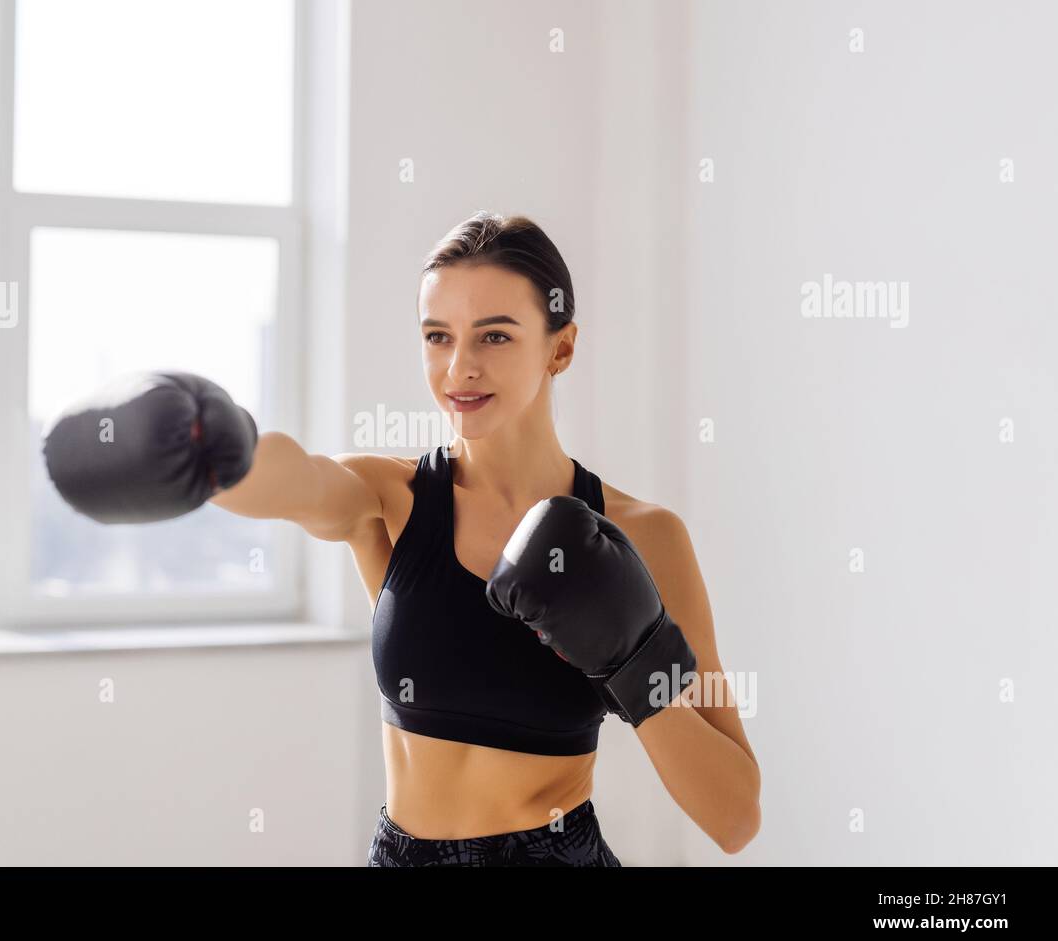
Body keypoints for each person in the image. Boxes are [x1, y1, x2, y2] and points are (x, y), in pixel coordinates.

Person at [41, 212, 761, 866]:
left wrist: (636, 659)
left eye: (496, 335)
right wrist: (214, 451)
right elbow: (302, 481)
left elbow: (734, 817)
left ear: (561, 347)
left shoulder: (644, 535)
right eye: (437, 336)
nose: (459, 369)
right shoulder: (392, 498)